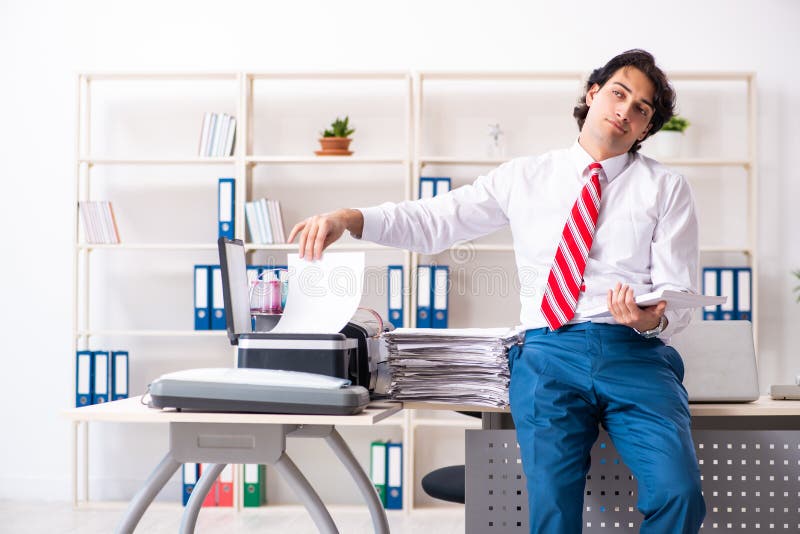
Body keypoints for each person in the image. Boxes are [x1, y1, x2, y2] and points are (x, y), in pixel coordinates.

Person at [288, 49, 705, 533]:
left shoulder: (665, 187)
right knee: (552, 507)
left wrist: (650, 319)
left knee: (680, 493)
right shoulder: (524, 177)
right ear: (593, 95)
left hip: (634, 353)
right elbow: (435, 220)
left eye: (642, 109)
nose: (626, 110)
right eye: (619, 93)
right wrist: (349, 219)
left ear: (646, 129)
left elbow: (678, 292)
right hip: (549, 351)